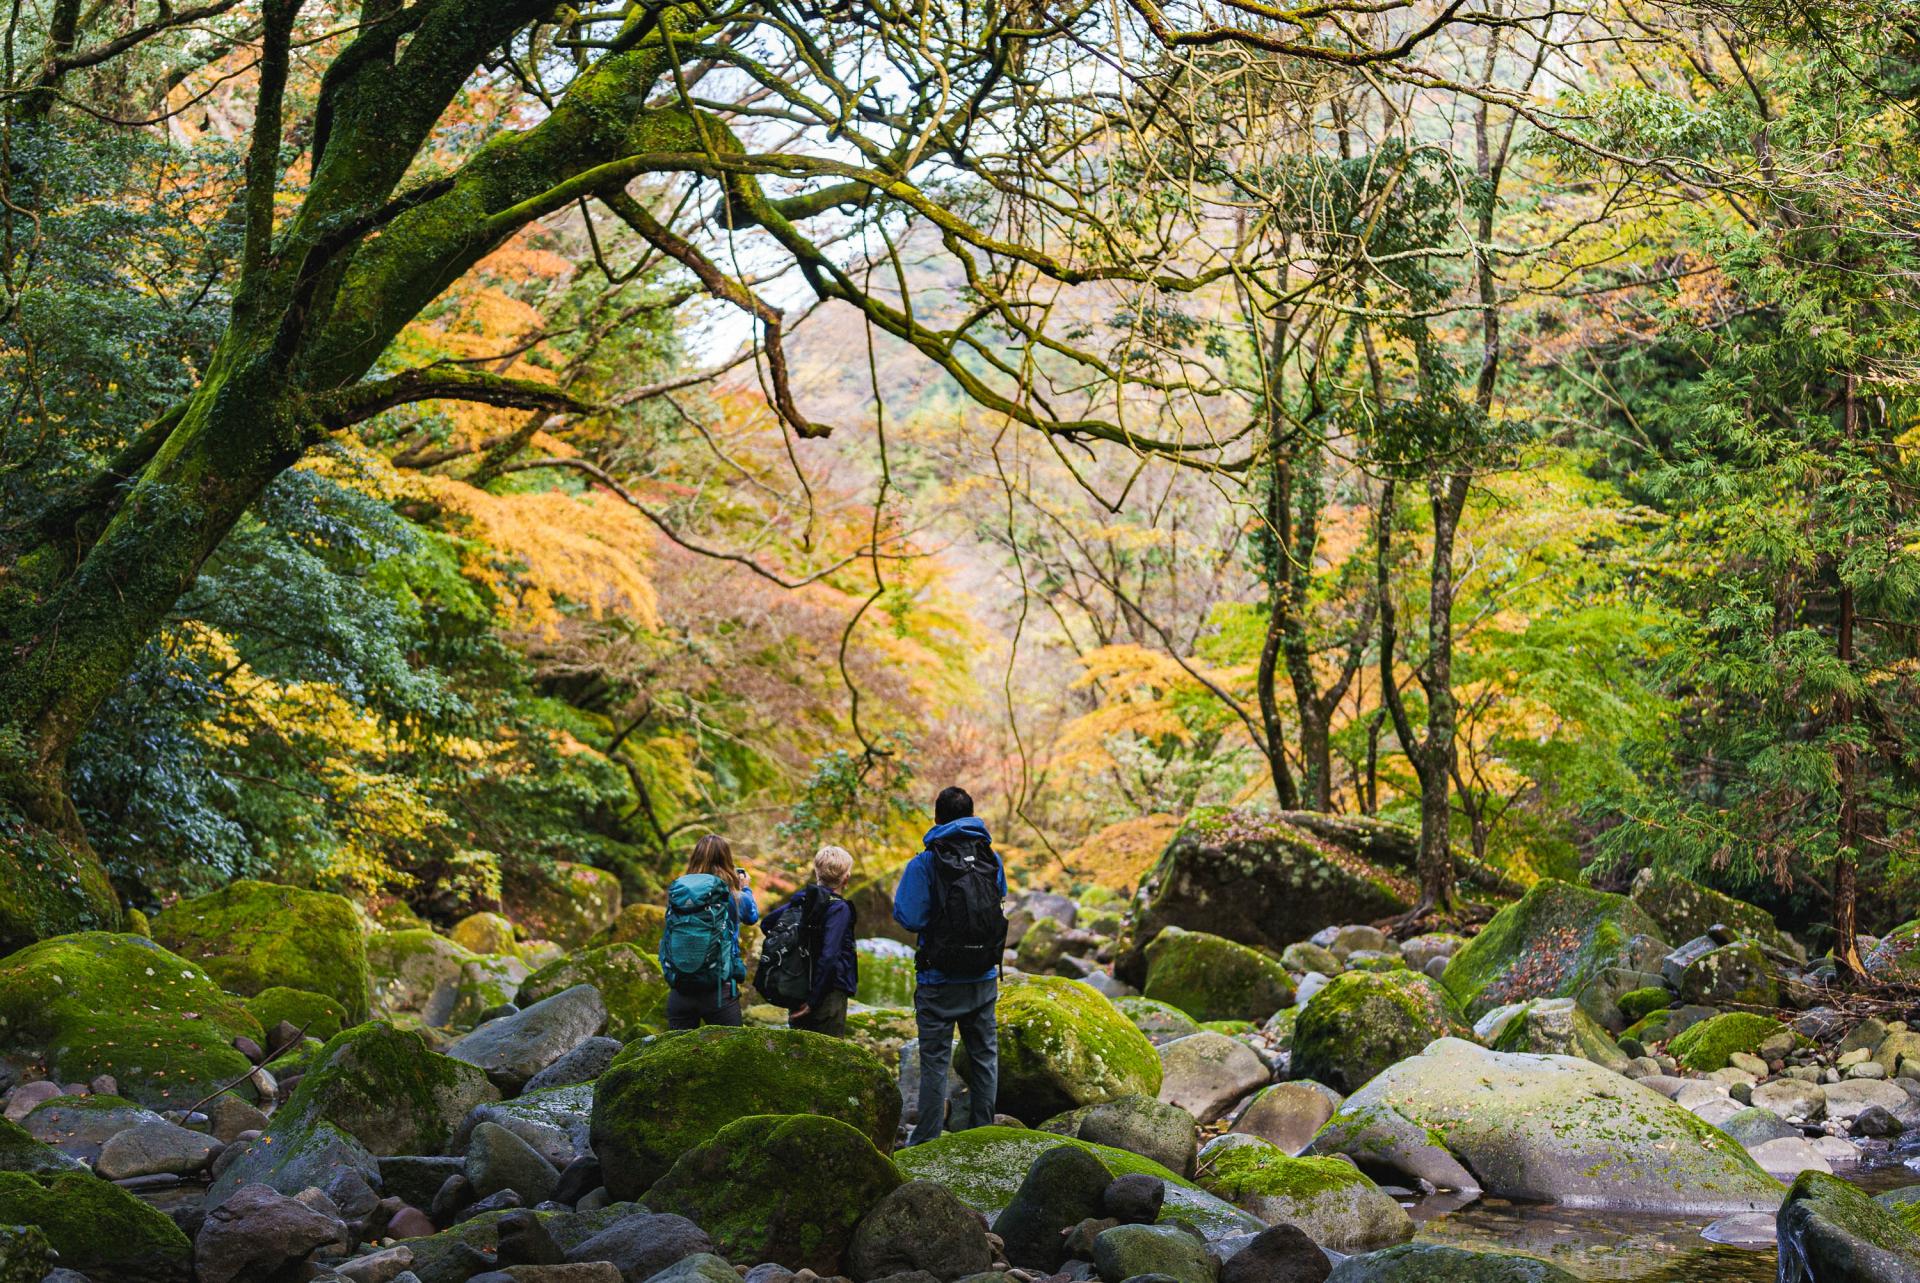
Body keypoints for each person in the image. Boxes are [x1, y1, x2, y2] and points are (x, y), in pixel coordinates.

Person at [893, 786, 1008, 1145]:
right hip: (982, 976)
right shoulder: (990, 856)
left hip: (938, 979)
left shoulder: (926, 862)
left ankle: (927, 1139)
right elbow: (999, 899)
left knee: (935, 1063)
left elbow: (909, 917)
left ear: (937, 818)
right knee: (984, 1057)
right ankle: (983, 1134)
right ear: (972, 816)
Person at [660, 833, 760, 1029]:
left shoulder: (680, 896)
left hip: (681, 989)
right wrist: (745, 888)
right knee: (732, 1048)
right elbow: (752, 917)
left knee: (677, 1048)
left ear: (695, 859)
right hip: (719, 991)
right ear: (727, 860)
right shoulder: (734, 896)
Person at [765, 845, 860, 1037]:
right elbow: (829, 955)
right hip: (828, 993)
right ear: (846, 878)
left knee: (798, 1048)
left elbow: (767, 924)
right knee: (829, 1051)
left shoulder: (803, 900)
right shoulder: (839, 908)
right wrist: (813, 1001)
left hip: (798, 985)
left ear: (816, 872)